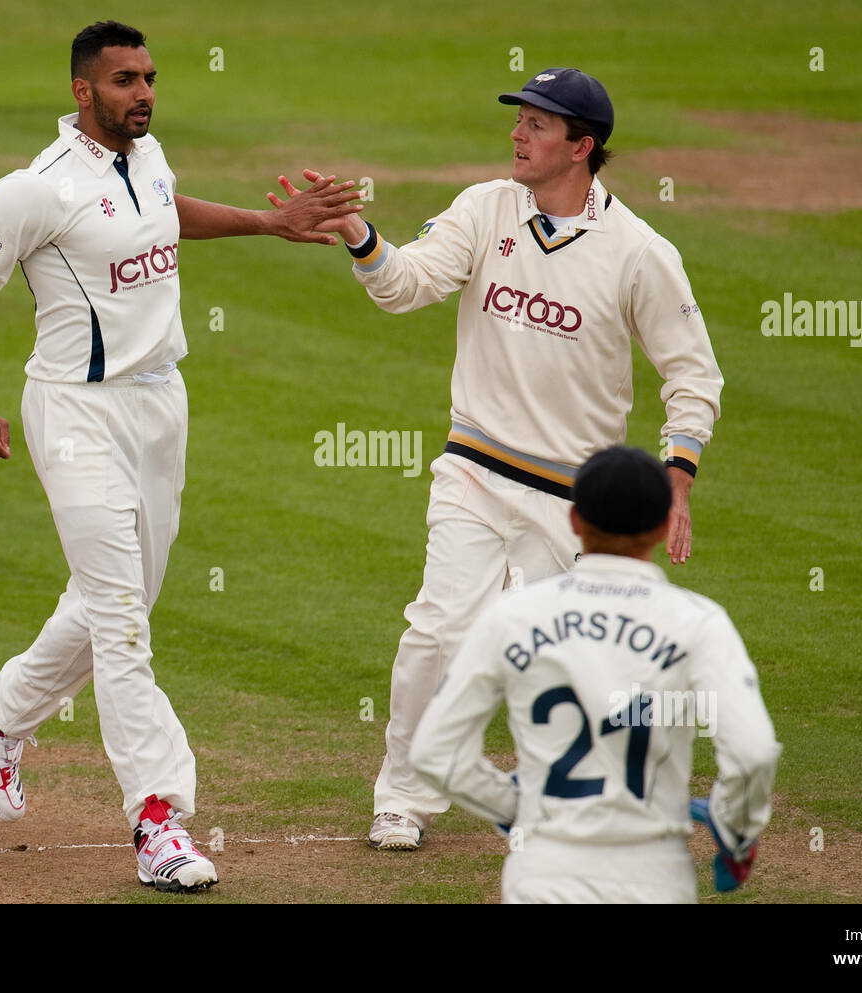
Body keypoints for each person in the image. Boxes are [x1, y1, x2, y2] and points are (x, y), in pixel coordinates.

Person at [0, 20, 362, 893]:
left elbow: (168, 214)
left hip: (161, 406)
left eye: (151, 77)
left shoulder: (150, 155)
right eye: (126, 80)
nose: (145, 92)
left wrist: (271, 222)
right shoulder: (32, 190)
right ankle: (158, 818)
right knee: (124, 623)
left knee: (114, 602)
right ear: (83, 91)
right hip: (74, 413)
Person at [281, 68, 725, 850]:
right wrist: (360, 236)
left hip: (573, 496)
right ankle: (404, 796)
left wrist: (677, 479)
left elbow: (693, 374)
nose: (518, 136)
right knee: (437, 630)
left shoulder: (639, 253)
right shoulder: (485, 208)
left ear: (583, 146)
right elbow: (405, 285)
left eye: (539, 125)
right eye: (519, 120)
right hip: (474, 468)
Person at [408, 446, 780, 903]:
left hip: (542, 874)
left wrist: (517, 807)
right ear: (666, 525)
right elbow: (754, 753)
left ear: (575, 520)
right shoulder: (699, 623)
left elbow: (433, 752)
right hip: (654, 878)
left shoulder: (514, 615)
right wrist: (735, 829)